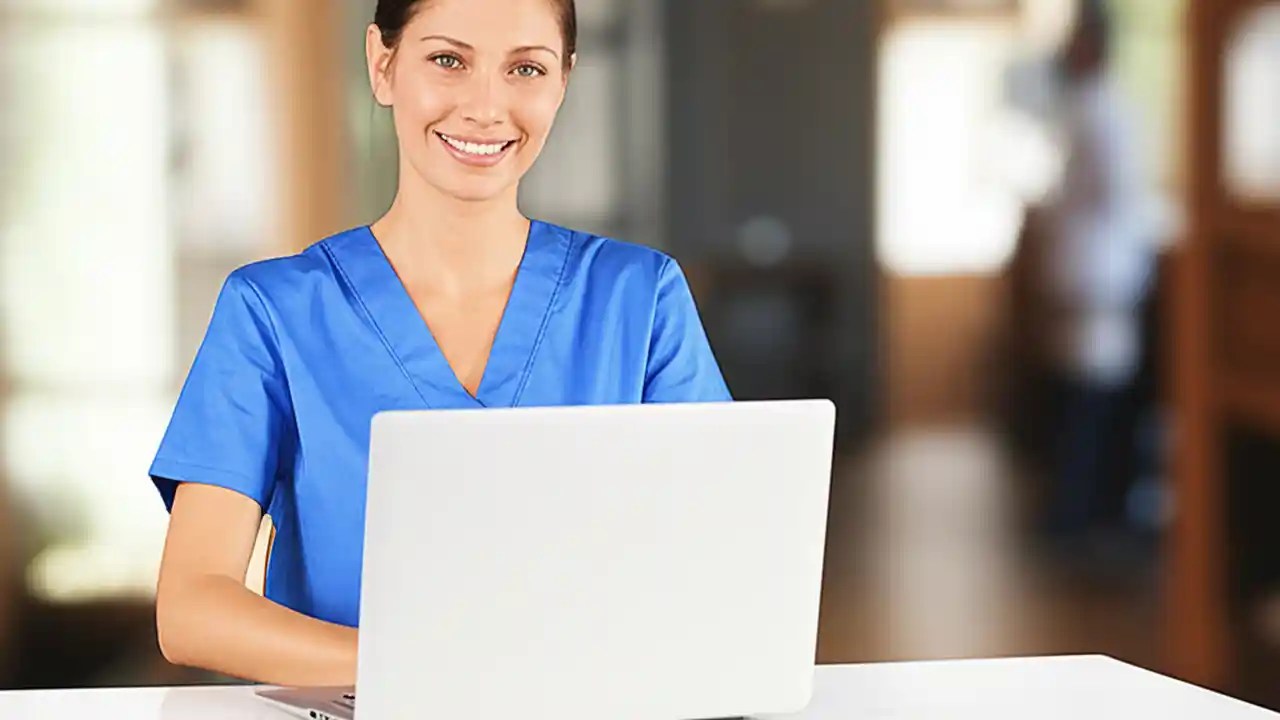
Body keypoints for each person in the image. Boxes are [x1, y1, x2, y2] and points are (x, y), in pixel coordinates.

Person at [150, 0, 731, 687]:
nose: (486, 106)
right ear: (383, 64)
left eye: (526, 68)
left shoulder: (641, 299)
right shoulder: (274, 312)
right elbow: (191, 609)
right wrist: (423, 671)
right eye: (448, 60)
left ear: (563, 83)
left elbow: (717, 563)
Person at [1037, 0, 1157, 545]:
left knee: (1093, 405)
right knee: (1083, 406)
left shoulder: (1102, 109)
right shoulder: (1090, 107)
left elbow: (1116, 197)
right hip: (1091, 283)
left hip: (1100, 282)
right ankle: (1077, 515)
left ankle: (1085, 514)